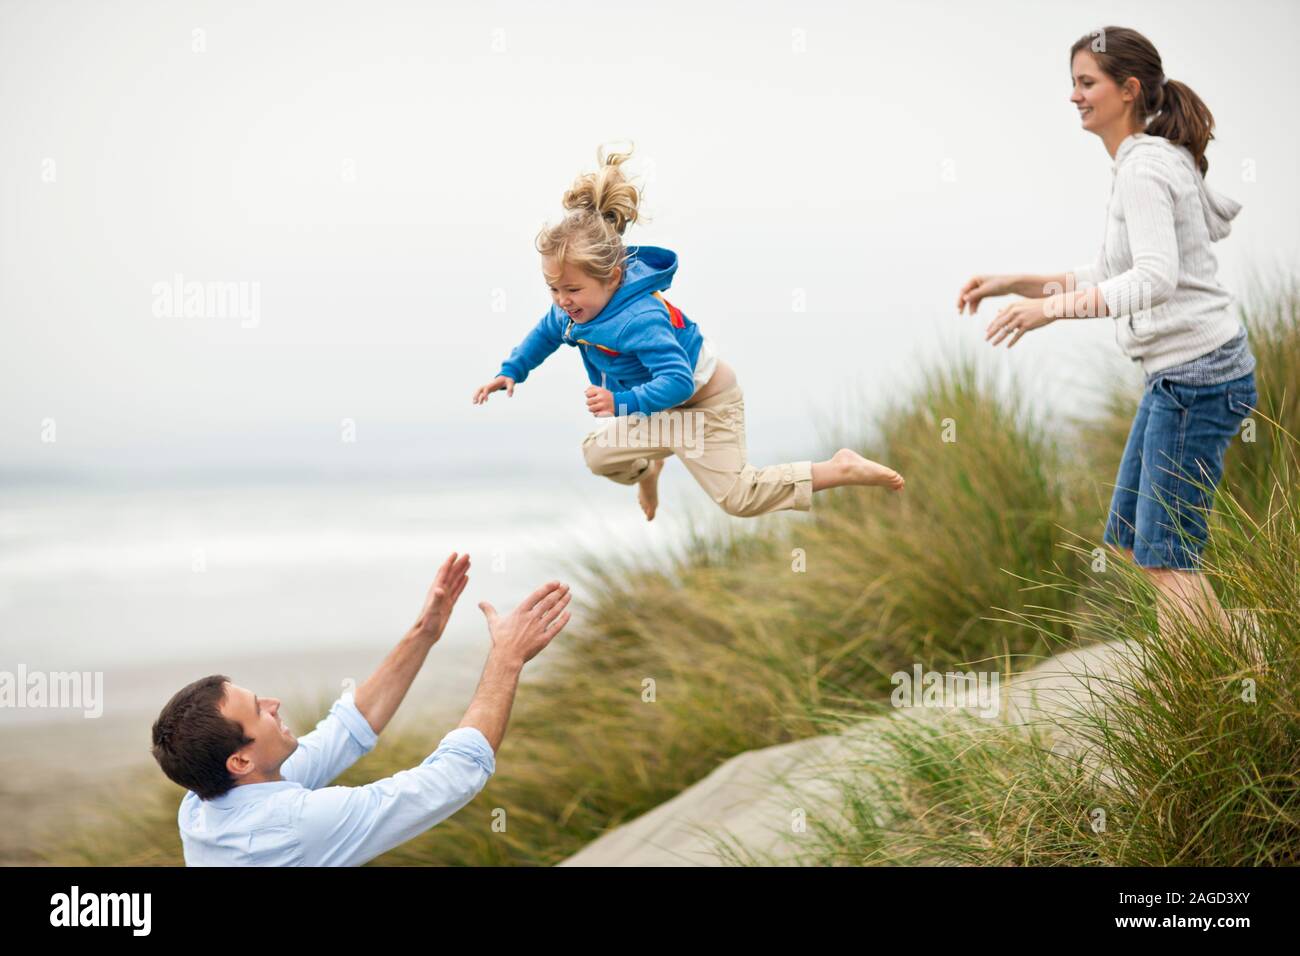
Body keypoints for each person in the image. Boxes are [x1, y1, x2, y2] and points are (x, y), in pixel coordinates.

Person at [956, 26, 1257, 639]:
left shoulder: (1145, 168)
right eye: (1073, 83)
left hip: (1197, 379)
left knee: (1166, 556)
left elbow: (1154, 279)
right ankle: (1217, 667)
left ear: (1129, 90)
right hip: (1180, 376)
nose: (1074, 96)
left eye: (1086, 83)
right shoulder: (1144, 162)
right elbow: (1116, 272)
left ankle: (1224, 681)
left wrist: (1052, 312)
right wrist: (1022, 283)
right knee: (1131, 540)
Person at [472, 144, 904, 522]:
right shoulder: (570, 313)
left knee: (739, 498)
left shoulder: (640, 317)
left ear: (613, 277)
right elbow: (545, 333)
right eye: (554, 288)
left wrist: (620, 402)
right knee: (597, 453)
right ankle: (651, 467)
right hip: (659, 410)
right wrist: (512, 370)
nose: (563, 300)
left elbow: (678, 381)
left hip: (706, 405)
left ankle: (840, 467)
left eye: (572, 289)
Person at [150, 553, 571, 865]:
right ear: (240, 759)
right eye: (258, 710)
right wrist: (507, 659)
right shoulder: (296, 826)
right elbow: (454, 777)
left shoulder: (203, 803)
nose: (274, 704)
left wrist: (423, 633)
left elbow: (348, 730)